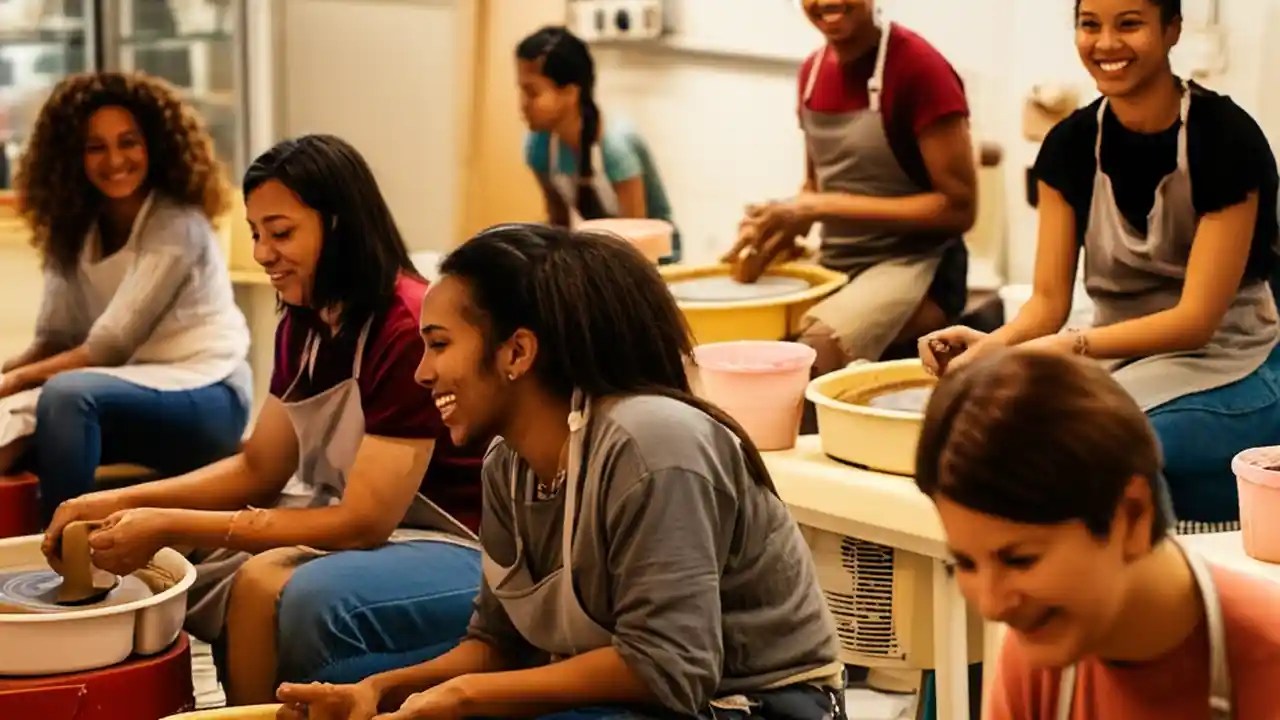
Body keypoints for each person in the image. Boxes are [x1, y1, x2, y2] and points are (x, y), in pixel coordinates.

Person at [275, 224, 844, 720]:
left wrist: (466, 697)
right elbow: (498, 644)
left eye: (439, 345)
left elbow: (670, 669)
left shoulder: (652, 442)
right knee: (354, 676)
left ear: (517, 353)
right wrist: (382, 689)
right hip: (644, 697)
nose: (422, 373)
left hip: (755, 703)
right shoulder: (507, 466)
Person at [40, 135, 487, 705]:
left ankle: (251, 712)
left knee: (263, 581)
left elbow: (363, 523)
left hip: (451, 535)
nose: (261, 252)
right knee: (184, 563)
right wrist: (118, 504)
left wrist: (167, 521)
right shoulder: (304, 322)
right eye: (255, 233)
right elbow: (260, 468)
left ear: (340, 225)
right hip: (355, 513)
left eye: (281, 232)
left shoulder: (403, 325)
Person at [920, 0, 1280, 533]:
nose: (1106, 43)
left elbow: (1195, 320)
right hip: (1119, 355)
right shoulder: (1068, 146)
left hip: (1233, 356)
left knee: (1100, 445)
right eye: (1090, 25)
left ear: (1172, 30)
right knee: (1006, 429)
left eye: (1129, 23)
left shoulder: (1224, 139)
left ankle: (1158, 590)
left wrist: (1073, 346)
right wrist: (989, 345)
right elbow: (1046, 305)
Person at [915, 348, 1280, 719]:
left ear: (1133, 516)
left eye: (1020, 560)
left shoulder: (1268, 665)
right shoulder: (1041, 656)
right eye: (966, 563)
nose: (991, 606)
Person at [2, 71, 251, 519]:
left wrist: (13, 382)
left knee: (64, 395)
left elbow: (109, 346)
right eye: (95, 146)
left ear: (154, 145)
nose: (114, 159)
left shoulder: (178, 225)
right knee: (13, 422)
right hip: (121, 393)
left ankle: (67, 560)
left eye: (128, 142)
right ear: (72, 157)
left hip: (209, 394)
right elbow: (54, 338)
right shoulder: (74, 230)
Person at [727, 0, 977, 374]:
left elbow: (960, 208)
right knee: (745, 325)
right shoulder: (811, 73)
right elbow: (816, 186)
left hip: (918, 266)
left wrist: (816, 207)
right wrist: (777, 226)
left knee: (812, 352)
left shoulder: (919, 68)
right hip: (839, 260)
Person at [517, 25, 682, 264]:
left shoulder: (615, 147)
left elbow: (637, 241)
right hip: (602, 254)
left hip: (653, 259)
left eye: (532, 93)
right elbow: (558, 224)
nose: (522, 104)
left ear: (570, 93)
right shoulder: (539, 146)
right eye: (520, 90)